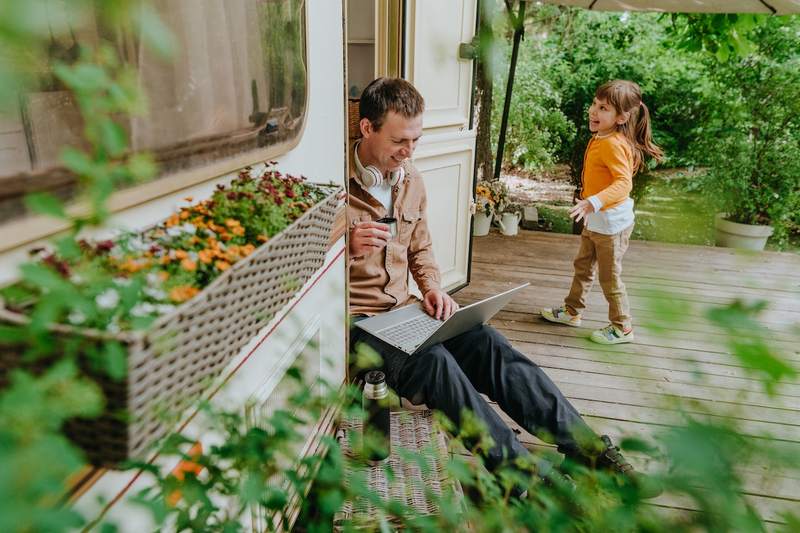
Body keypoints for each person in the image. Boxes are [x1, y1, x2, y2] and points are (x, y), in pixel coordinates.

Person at [348, 77, 657, 495]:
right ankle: (522, 477)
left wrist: (434, 288)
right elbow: (305, 271)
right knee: (436, 362)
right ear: (367, 128)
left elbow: (420, 248)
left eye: (416, 141)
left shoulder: (410, 180)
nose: (409, 152)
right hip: (359, 326)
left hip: (405, 312)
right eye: (400, 141)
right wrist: (343, 247)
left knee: (485, 341)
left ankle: (586, 451)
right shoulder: (333, 188)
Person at [542, 80, 663, 345]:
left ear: (622, 117)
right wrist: (590, 203)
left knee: (610, 277)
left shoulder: (613, 144)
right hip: (596, 220)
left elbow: (623, 184)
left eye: (603, 108)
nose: (593, 111)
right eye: (595, 104)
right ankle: (572, 311)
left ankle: (623, 327)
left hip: (611, 226)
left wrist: (592, 202)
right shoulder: (603, 137)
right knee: (583, 267)